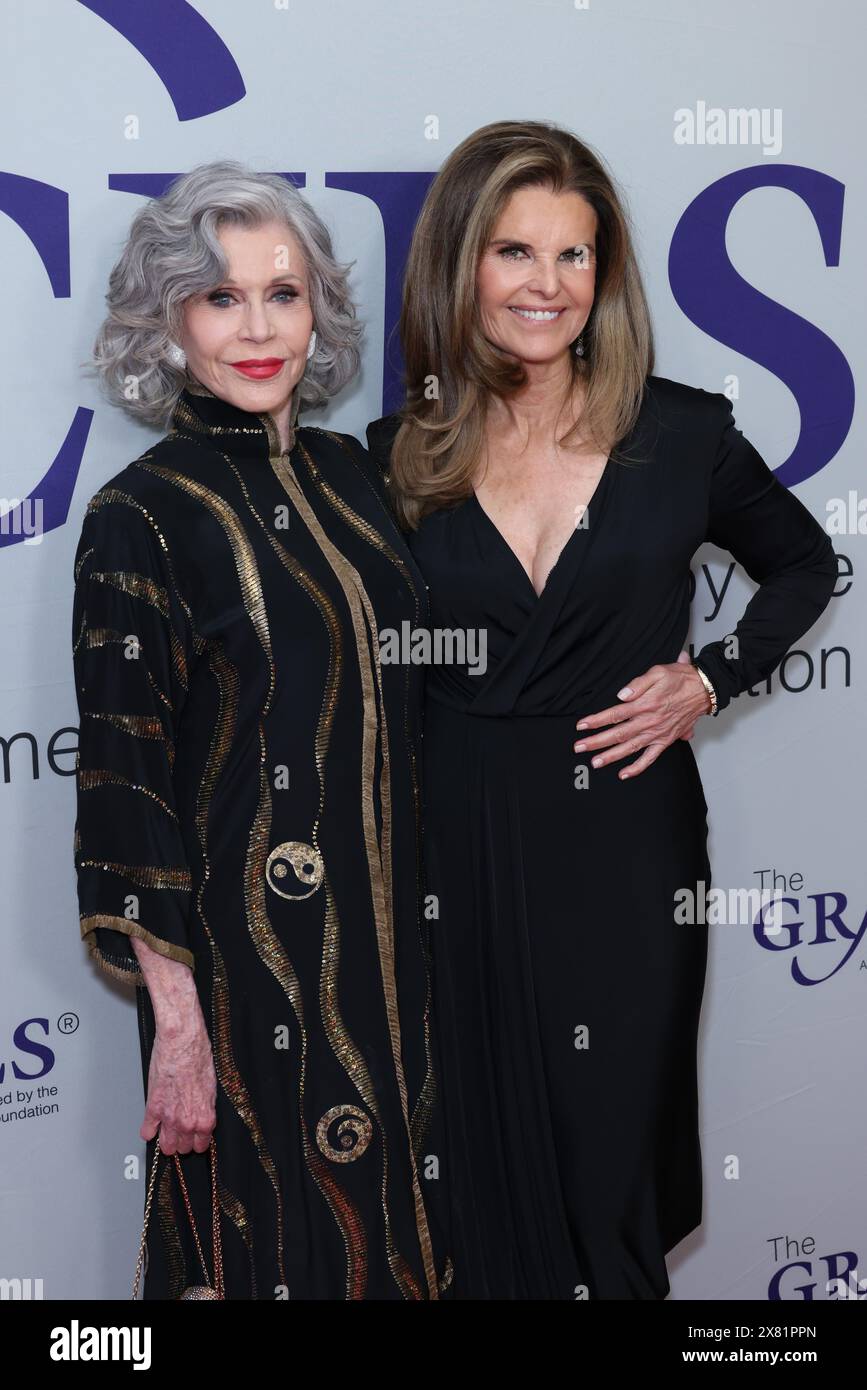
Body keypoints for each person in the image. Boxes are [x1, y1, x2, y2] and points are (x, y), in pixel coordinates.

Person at [366, 120, 837, 1300]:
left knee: (609, 1167)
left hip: (628, 846)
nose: (549, 287)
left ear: (607, 274)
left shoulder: (680, 434)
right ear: (459, 264)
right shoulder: (392, 458)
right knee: (467, 1175)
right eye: (516, 252)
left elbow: (804, 563)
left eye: (577, 257)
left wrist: (713, 675)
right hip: (451, 843)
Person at [72, 160, 451, 1300]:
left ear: (318, 311)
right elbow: (124, 781)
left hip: (404, 963)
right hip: (245, 979)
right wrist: (178, 1027)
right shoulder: (140, 513)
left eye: (282, 294)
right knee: (263, 1255)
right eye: (219, 297)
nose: (256, 328)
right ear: (167, 319)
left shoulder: (358, 475)